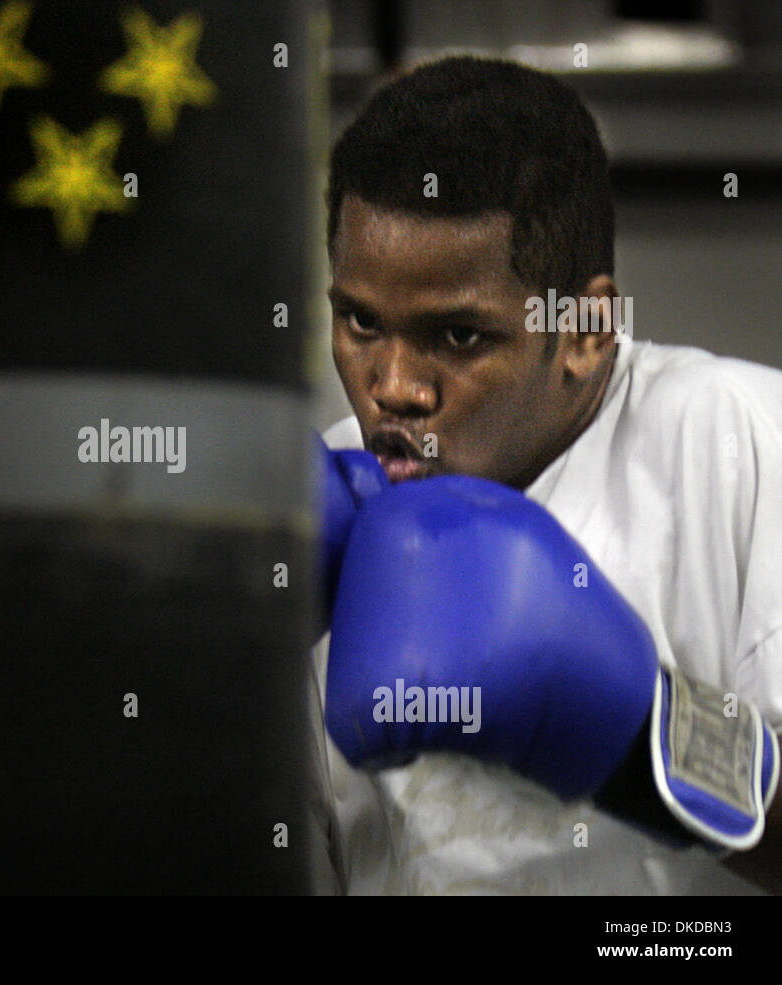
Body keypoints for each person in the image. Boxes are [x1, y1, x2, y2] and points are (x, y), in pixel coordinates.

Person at [314, 56, 782, 895]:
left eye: (456, 336)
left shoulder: (737, 438)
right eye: (359, 321)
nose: (393, 388)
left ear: (586, 330)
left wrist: (645, 741)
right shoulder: (319, 504)